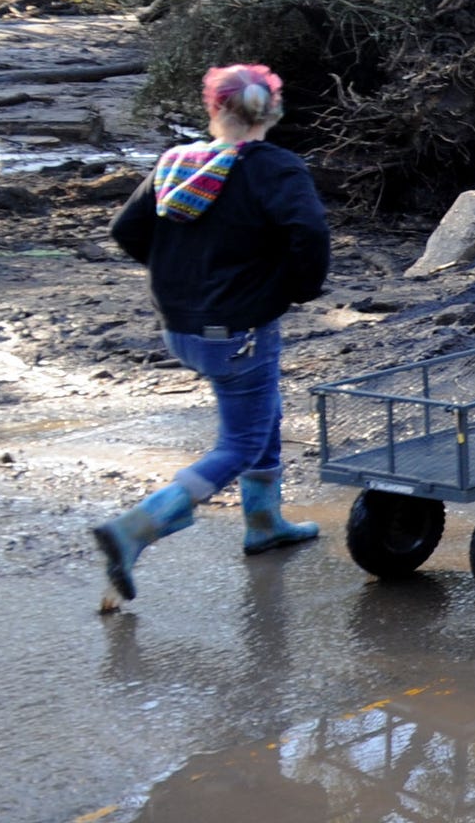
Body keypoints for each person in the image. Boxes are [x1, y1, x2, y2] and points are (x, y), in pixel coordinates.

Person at [91, 63, 333, 607]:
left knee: (263, 407)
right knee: (241, 443)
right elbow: (310, 231)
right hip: (236, 330)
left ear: (214, 109)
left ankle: (265, 522)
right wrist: (295, 287)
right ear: (272, 111)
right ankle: (138, 527)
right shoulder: (276, 168)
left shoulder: (179, 163)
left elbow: (126, 230)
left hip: (182, 328)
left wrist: (182, 279)